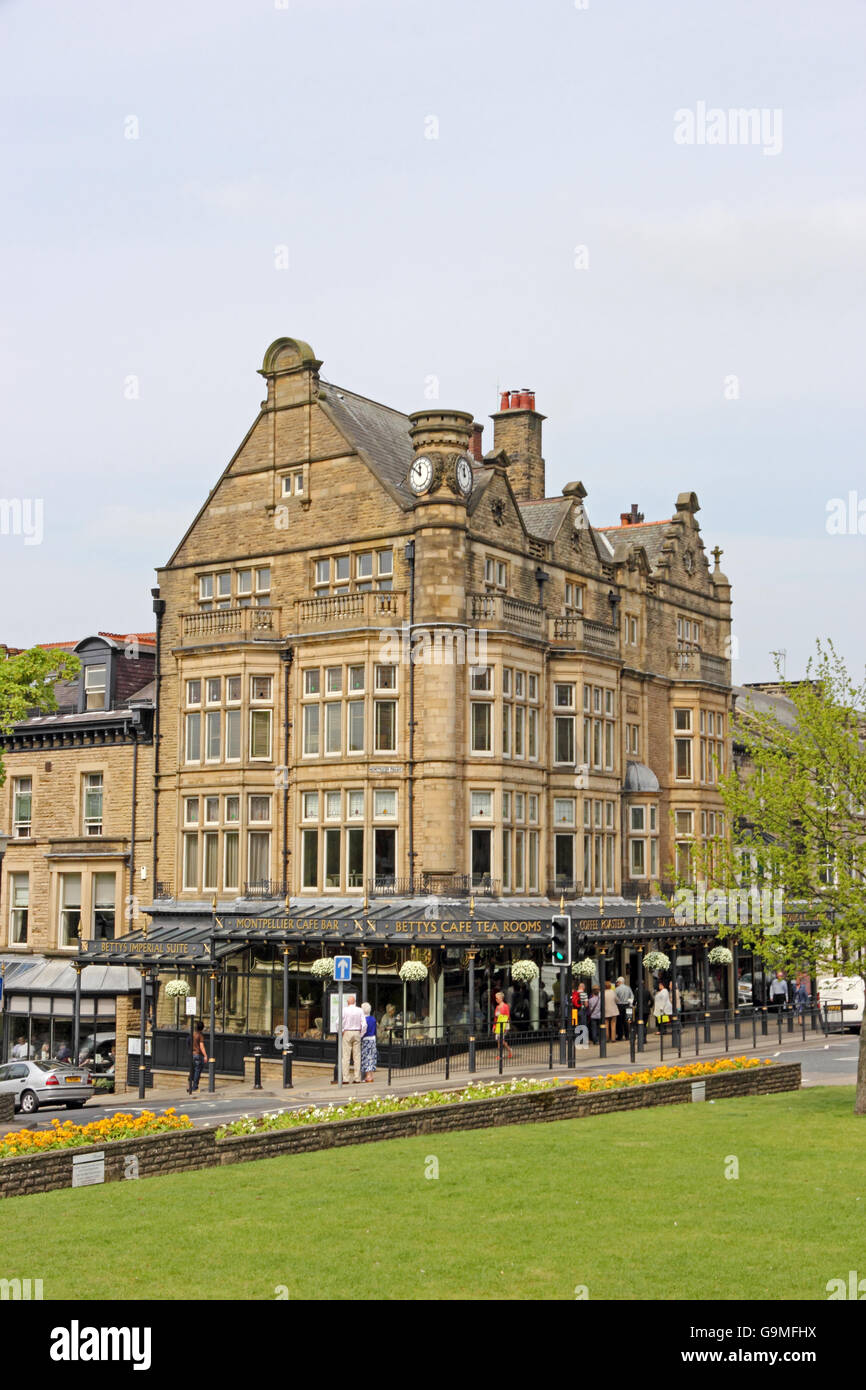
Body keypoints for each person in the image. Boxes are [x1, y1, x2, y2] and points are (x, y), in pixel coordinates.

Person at [341, 993, 365, 1084]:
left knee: (346, 1057)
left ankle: (346, 1078)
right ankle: (357, 1078)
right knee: (357, 1056)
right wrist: (361, 1033)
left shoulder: (344, 1010)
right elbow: (364, 1024)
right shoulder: (360, 1010)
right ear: (354, 1002)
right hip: (357, 1032)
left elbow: (338, 1022)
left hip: (347, 1032)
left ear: (348, 1002)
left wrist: (342, 1031)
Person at [187, 1019, 208, 1094]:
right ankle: (195, 1087)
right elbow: (202, 1046)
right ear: (202, 1028)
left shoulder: (192, 1034)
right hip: (197, 1055)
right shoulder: (200, 1035)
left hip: (192, 1054)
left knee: (192, 1070)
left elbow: (188, 1042)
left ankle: (189, 1085)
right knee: (197, 1071)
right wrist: (205, 1055)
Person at [360, 1001, 378, 1081]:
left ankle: (368, 1077)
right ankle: (371, 1076)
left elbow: (363, 1030)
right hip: (373, 1039)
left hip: (366, 1039)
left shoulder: (363, 1020)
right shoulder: (373, 1019)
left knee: (366, 1058)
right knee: (371, 1057)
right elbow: (375, 1031)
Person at [493, 990, 512, 1059]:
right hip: (498, 1025)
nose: (496, 1000)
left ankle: (503, 1053)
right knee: (499, 1040)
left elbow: (507, 1016)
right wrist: (494, 1026)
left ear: (501, 998)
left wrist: (505, 1026)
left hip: (504, 1025)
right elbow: (495, 1018)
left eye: (497, 998)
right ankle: (505, 1052)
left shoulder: (505, 1006)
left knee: (500, 1040)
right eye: (495, 998)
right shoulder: (497, 1007)